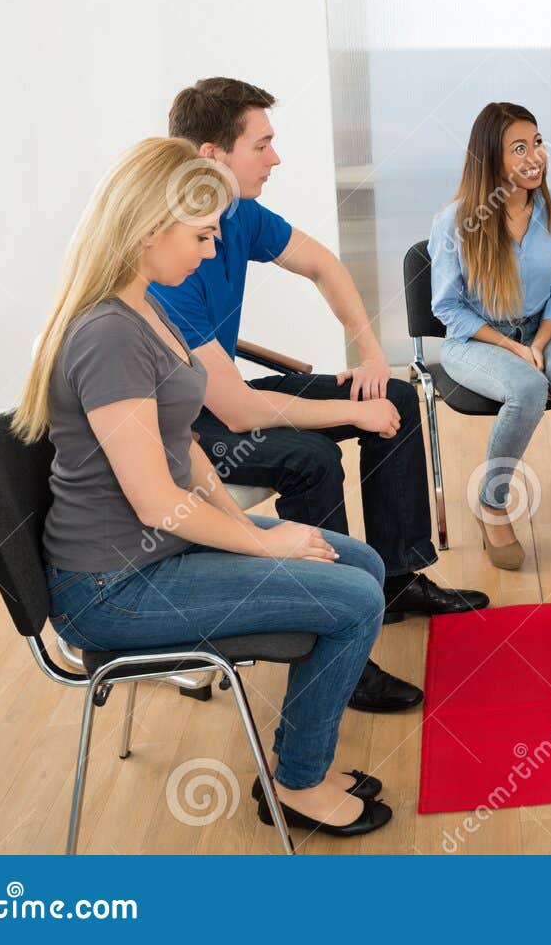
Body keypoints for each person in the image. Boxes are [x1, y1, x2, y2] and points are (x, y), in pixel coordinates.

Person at [14, 137, 391, 837]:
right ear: (148, 229)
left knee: (359, 563)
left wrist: (256, 536)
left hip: (153, 557)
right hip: (110, 589)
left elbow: (183, 445)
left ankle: (301, 761)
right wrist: (262, 544)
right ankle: (297, 783)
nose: (213, 251)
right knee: (354, 598)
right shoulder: (108, 337)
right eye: (201, 234)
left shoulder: (145, 311)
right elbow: (157, 502)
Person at [149, 78, 487, 715]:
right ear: (211, 156)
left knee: (394, 392)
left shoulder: (236, 213)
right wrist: (353, 412)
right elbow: (237, 411)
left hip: (220, 402)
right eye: (263, 144)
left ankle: (393, 578)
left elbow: (322, 264)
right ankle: (332, 636)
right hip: (184, 436)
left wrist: (368, 354)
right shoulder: (170, 252)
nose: (275, 159)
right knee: (313, 456)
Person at [429, 102, 551, 569]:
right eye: (519, 148)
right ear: (491, 158)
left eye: (538, 143)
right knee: (527, 389)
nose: (535, 157)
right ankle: (492, 502)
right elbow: (446, 308)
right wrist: (510, 346)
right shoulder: (454, 222)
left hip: (540, 330)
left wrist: (541, 343)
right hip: (476, 340)